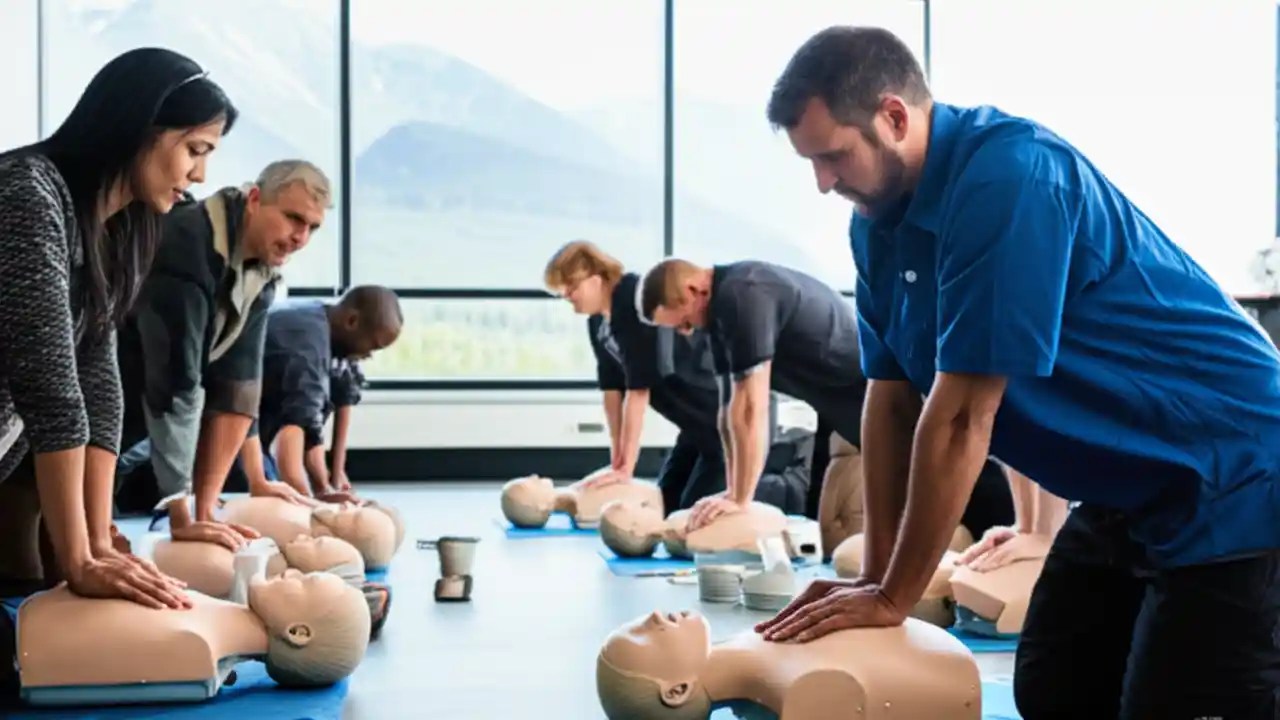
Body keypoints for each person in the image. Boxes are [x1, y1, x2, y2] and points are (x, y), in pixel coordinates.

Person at [753, 25, 1280, 719]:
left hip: (1237, 476)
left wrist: (892, 600)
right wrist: (875, 576)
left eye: (833, 156)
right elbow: (891, 401)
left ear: (893, 116)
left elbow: (964, 416)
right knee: (1054, 688)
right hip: (1132, 494)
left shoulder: (1009, 176)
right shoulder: (875, 225)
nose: (823, 183)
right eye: (810, 164)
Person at [0, 47, 237, 611]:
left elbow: (99, 387)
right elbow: (52, 391)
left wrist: (100, 538)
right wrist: (80, 560)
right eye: (194, 149)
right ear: (140, 126)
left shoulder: (112, 229)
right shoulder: (26, 195)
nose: (200, 175)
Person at [639, 257, 1013, 533]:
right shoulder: (718, 315)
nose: (687, 332)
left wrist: (739, 499)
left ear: (693, 291)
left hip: (873, 383)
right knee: (824, 505)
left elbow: (753, 406)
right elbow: (730, 409)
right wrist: (732, 493)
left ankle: (1010, 534)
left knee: (945, 461)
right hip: (832, 399)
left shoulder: (741, 293)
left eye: (685, 322)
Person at [115, 159, 333, 548]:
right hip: (76, 417)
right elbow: (175, 383)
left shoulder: (262, 278)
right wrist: (180, 517)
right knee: (31, 562)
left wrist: (247, 486)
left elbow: (239, 389)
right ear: (253, 199)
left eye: (312, 227)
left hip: (129, 428)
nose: (301, 237)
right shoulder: (187, 244)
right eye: (292, 218)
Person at [545, 241, 809, 514]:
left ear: (595, 278)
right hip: (694, 429)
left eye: (571, 288)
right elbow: (613, 392)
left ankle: (793, 480)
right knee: (667, 509)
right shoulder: (598, 323)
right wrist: (616, 464)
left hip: (723, 424)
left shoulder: (636, 301)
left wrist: (625, 469)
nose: (568, 297)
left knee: (696, 516)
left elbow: (638, 391)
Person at [251, 286, 402, 502]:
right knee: (279, 500)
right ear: (352, 321)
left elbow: (343, 396)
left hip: (261, 423)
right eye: (373, 346)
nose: (369, 355)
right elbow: (296, 429)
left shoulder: (327, 321)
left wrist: (334, 476)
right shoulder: (306, 348)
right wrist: (315, 501)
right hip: (231, 430)